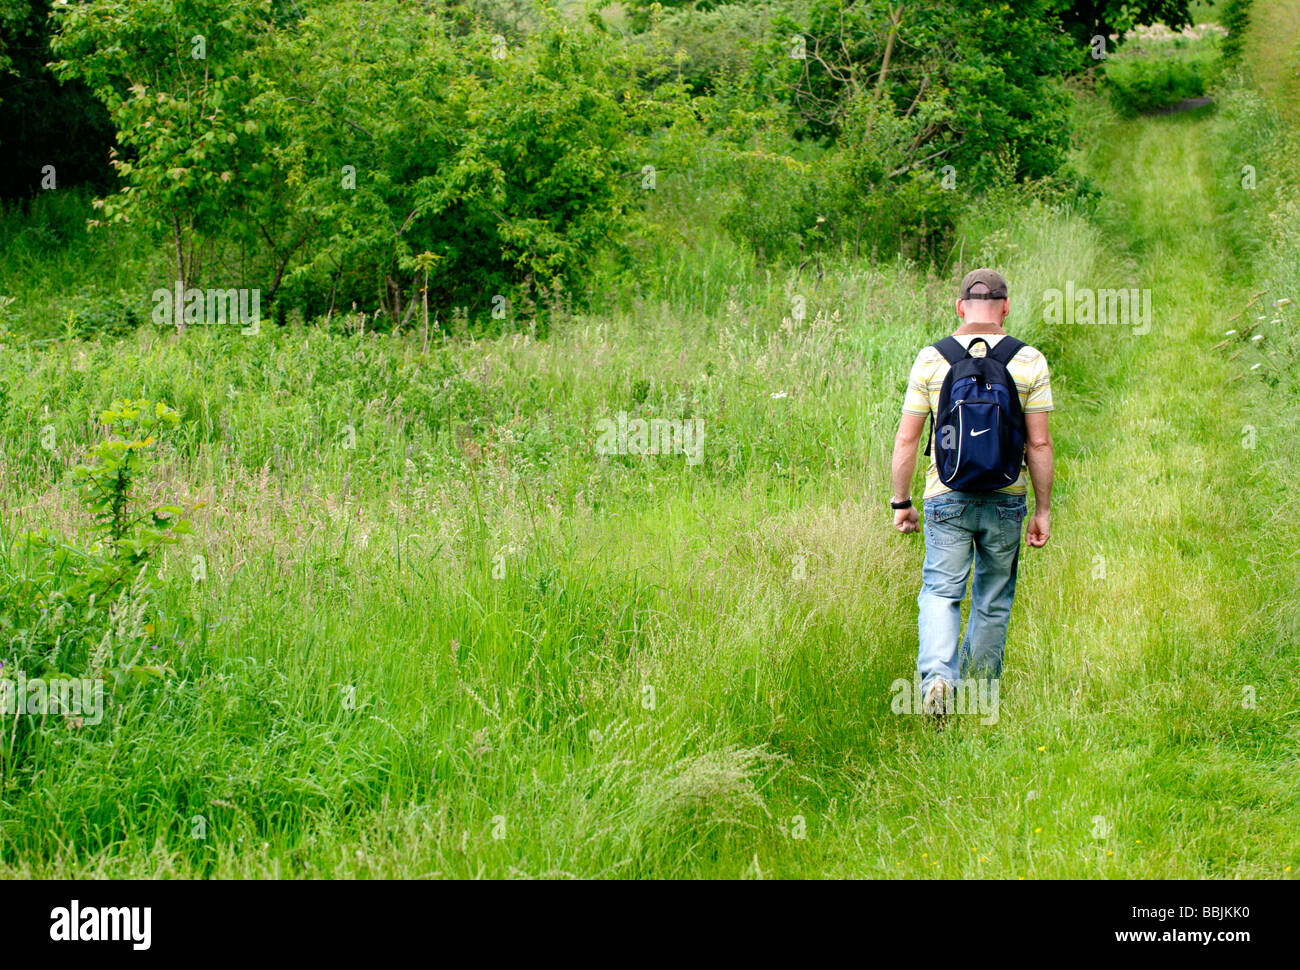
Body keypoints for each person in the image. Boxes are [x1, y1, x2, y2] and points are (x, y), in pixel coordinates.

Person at [888, 268, 1055, 716]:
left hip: (946, 493)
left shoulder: (930, 358)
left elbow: (907, 439)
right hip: (1006, 496)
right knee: (993, 595)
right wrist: (1042, 509)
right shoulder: (1029, 360)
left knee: (942, 591)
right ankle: (979, 698)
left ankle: (939, 678)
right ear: (1005, 308)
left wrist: (902, 503)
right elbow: (1038, 442)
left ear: (960, 307)